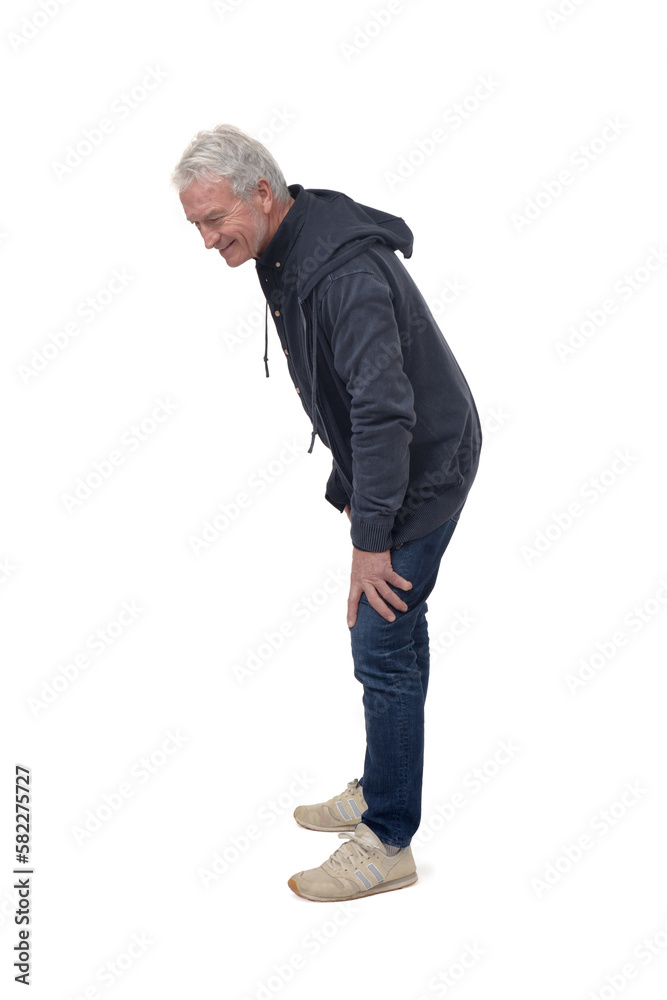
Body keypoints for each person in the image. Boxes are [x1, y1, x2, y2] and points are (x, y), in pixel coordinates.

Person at [172, 124, 482, 902]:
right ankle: (383, 785)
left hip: (425, 464)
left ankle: (387, 838)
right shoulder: (285, 243)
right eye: (198, 227)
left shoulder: (335, 269)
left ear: (263, 194)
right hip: (396, 461)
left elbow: (383, 410)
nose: (208, 241)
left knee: (379, 638)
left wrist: (370, 536)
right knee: (392, 633)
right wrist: (355, 493)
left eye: (215, 221)